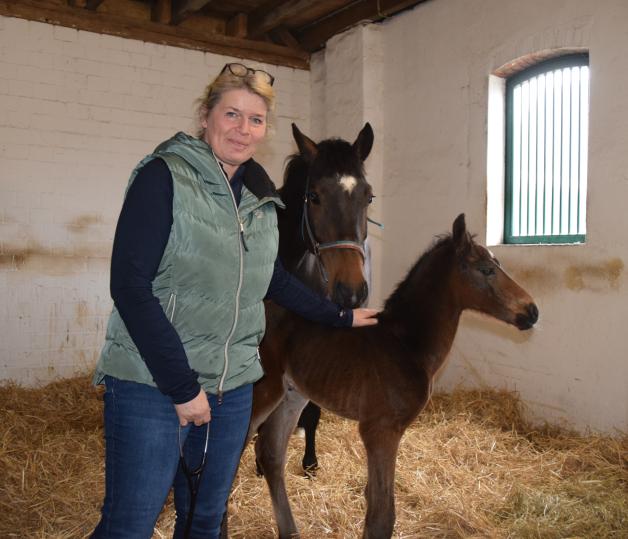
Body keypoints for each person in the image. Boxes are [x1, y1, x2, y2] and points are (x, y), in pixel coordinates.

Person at [91, 62, 378, 539]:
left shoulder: (259, 197)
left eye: (256, 119)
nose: (244, 129)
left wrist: (340, 316)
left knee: (205, 521)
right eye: (232, 114)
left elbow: (272, 279)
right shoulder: (163, 177)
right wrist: (182, 387)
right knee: (130, 526)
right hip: (152, 384)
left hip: (231, 388)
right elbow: (130, 287)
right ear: (205, 116)